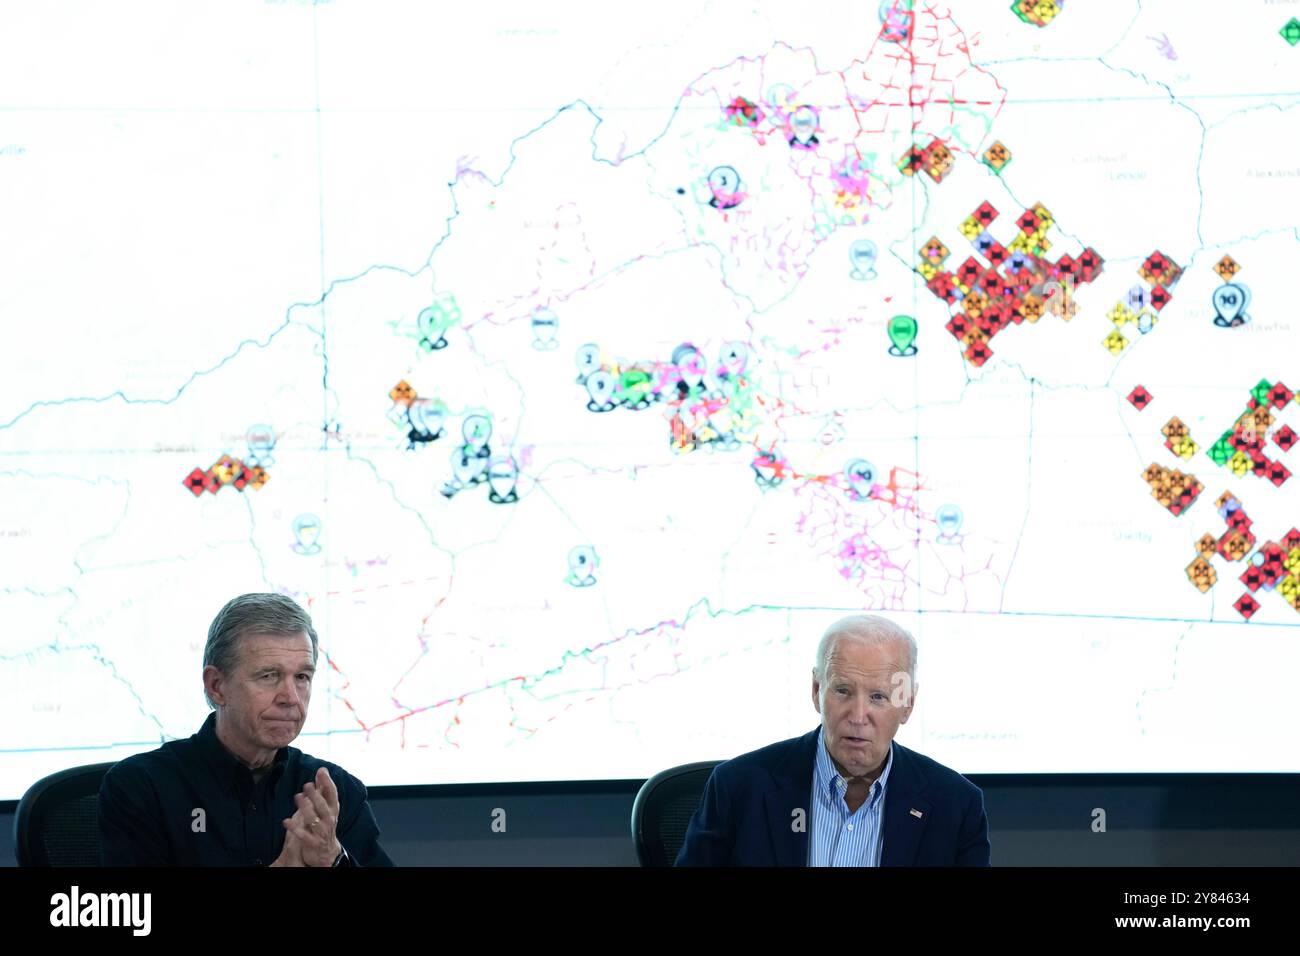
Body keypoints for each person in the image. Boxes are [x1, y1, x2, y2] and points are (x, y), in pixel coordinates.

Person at [98, 593, 394, 866]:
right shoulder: (142, 787)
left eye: (302, 676)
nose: (290, 697)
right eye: (269, 675)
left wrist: (333, 858)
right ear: (216, 686)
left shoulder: (332, 791)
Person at [676, 614, 990, 866]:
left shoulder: (956, 805)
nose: (857, 715)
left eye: (878, 697)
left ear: (907, 703)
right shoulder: (739, 787)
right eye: (843, 691)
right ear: (816, 691)